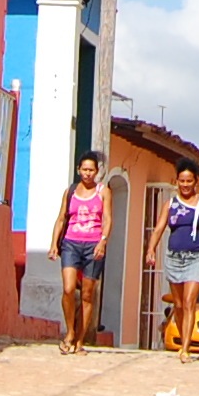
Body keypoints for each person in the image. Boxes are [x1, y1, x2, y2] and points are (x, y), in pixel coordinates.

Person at [52, 151, 112, 354]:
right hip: (71, 243)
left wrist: (103, 242)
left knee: (87, 294)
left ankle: (80, 340)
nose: (87, 173)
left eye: (91, 170)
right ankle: (69, 331)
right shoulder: (70, 191)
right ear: (78, 170)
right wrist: (54, 243)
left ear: (97, 172)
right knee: (69, 288)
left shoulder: (103, 191)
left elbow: (108, 219)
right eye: (84, 169)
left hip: (93, 245)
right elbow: (61, 218)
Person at [160, 166, 199, 363]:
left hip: (198, 256)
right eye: (181, 181)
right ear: (176, 181)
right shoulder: (170, 204)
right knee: (177, 304)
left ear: (195, 182)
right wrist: (150, 249)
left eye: (189, 181)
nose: (185, 185)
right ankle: (184, 338)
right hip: (174, 257)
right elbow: (160, 228)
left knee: (189, 302)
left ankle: (185, 348)